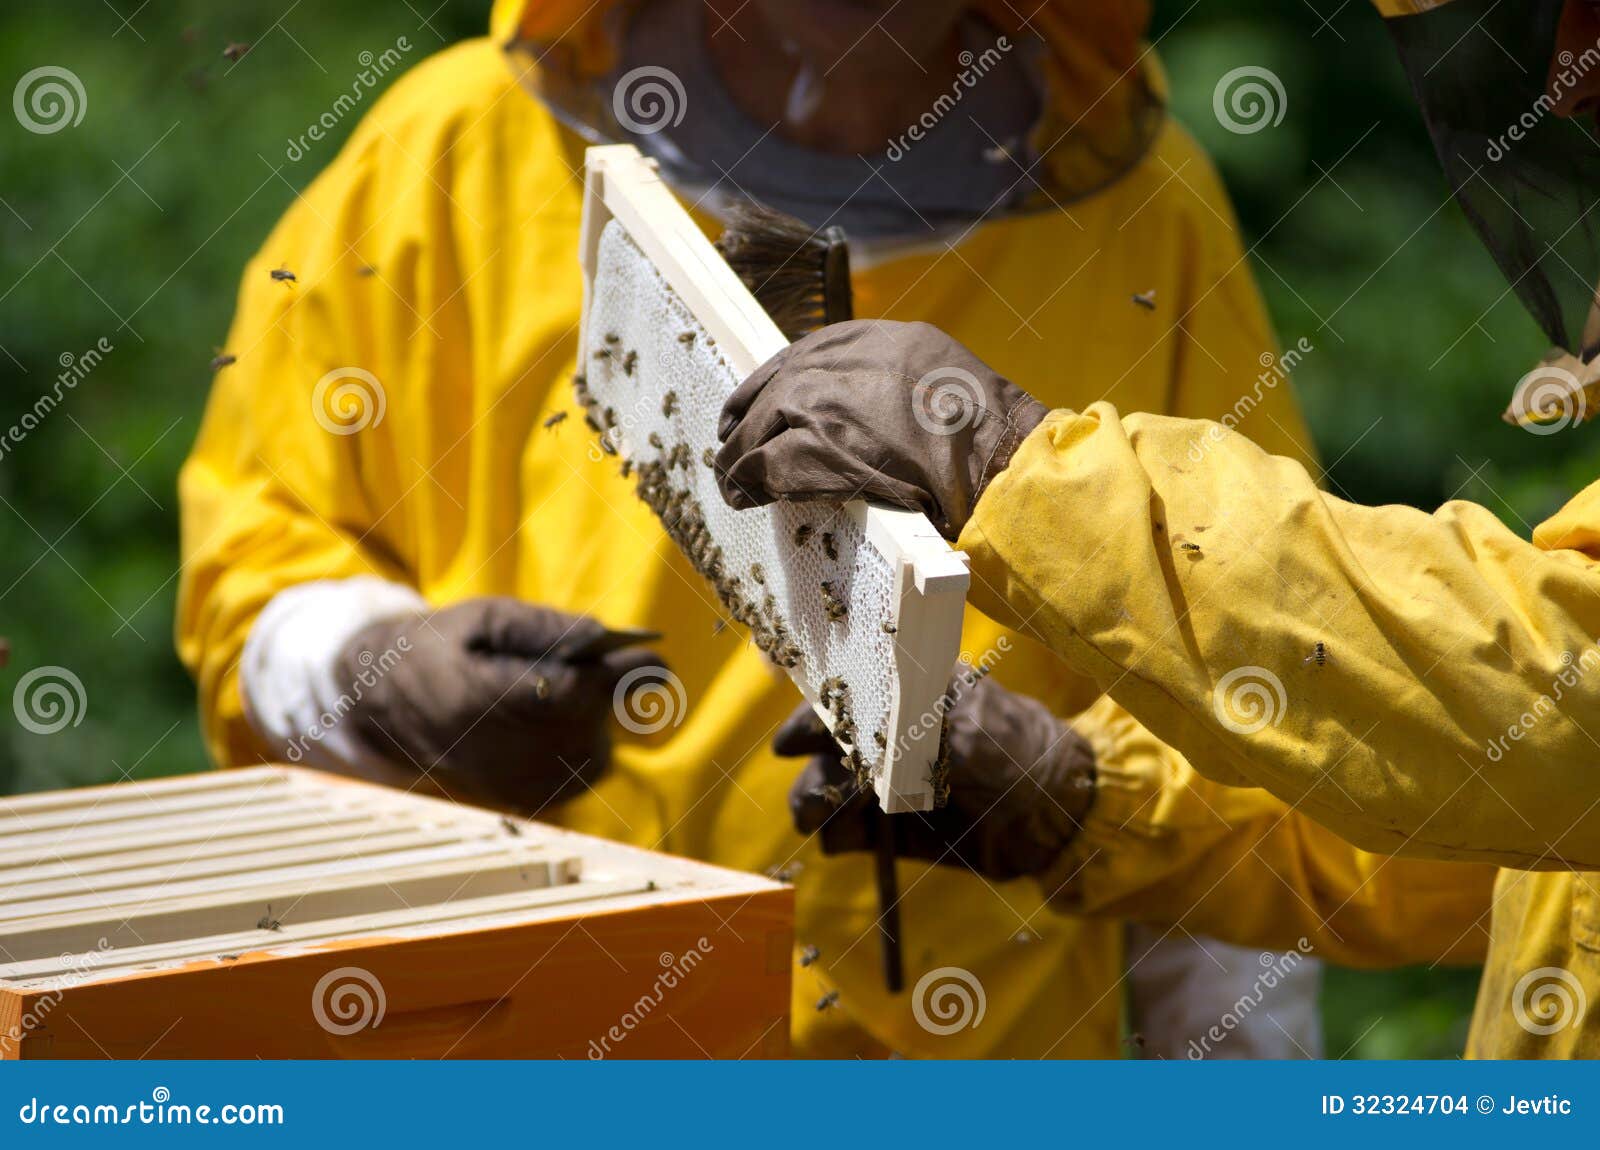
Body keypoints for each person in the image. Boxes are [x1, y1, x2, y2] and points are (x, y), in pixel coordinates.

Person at [178, 0, 1488, 1059]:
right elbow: (256, 554)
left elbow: (1264, 713)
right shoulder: (453, 151)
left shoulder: (1146, 214)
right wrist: (378, 669)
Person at [712, 0, 1600, 1058]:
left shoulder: (1145, 200)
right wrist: (1088, 798)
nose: (1568, 83)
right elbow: (1480, 801)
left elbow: (1549, 711)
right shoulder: (470, 129)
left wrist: (1006, 463)